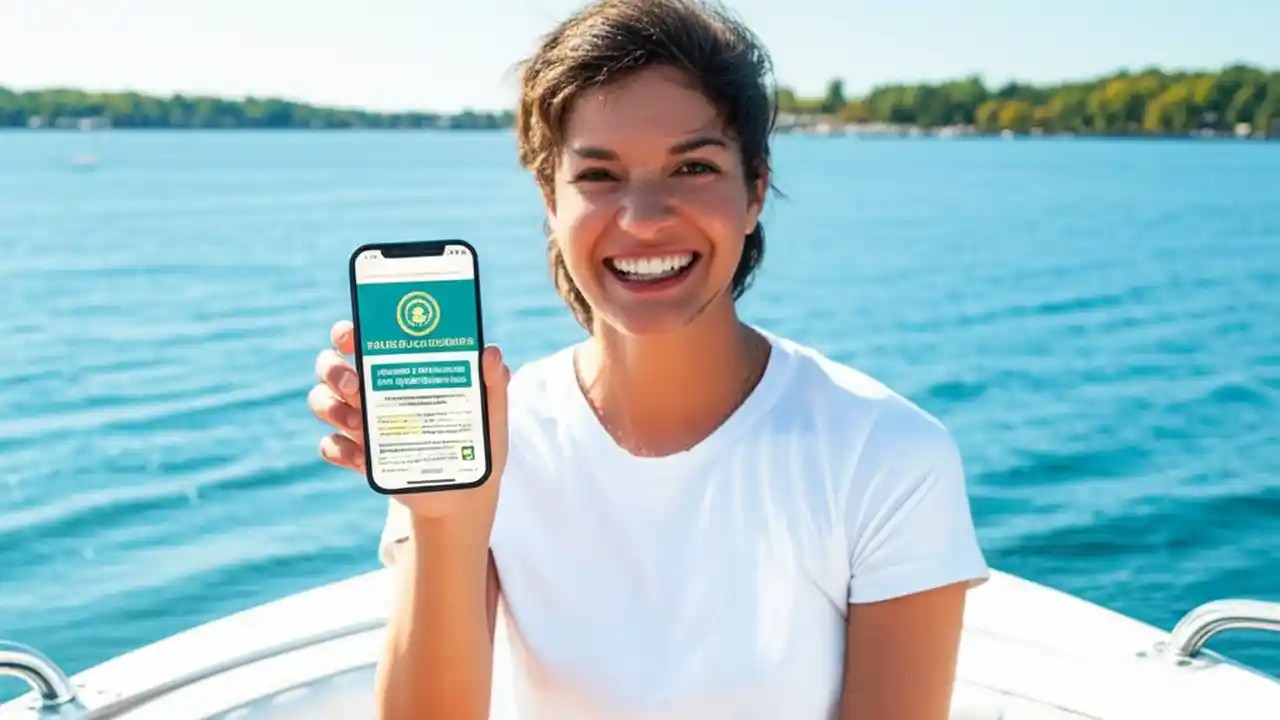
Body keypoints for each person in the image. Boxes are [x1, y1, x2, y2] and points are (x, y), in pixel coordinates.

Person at [308, 1, 989, 717]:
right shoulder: (491, 441)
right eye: (599, 176)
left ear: (754, 190)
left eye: (693, 167)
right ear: (549, 198)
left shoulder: (884, 455)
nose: (643, 218)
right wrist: (447, 524)